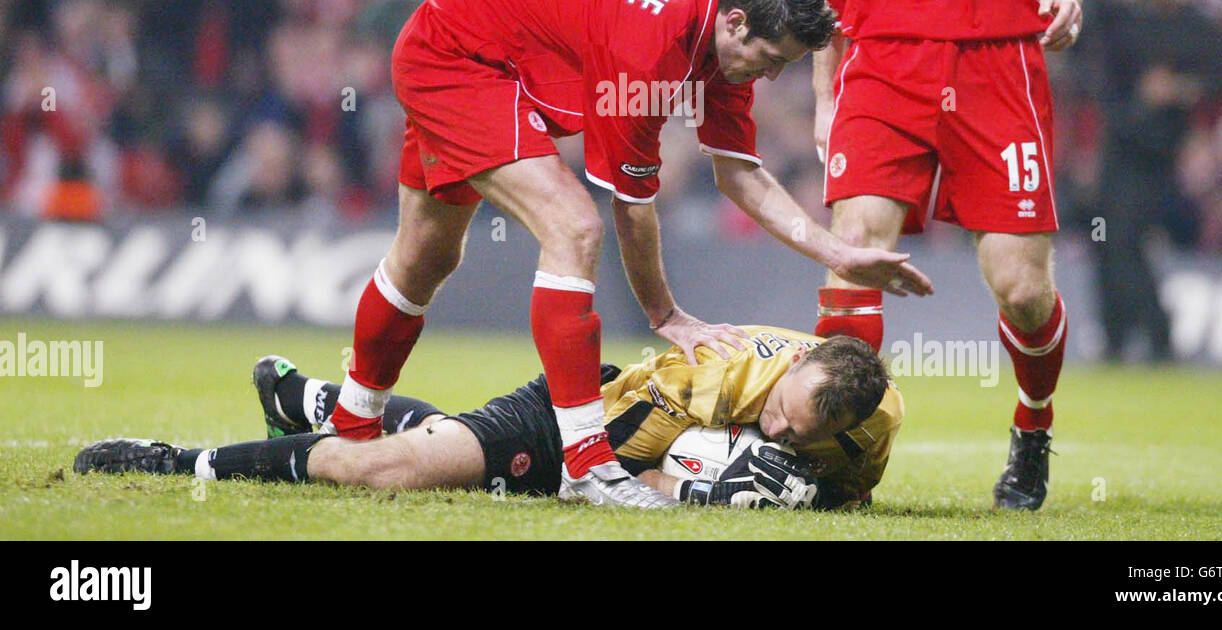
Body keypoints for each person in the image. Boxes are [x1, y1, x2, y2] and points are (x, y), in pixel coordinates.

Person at [333, 0, 932, 509]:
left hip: (490, 49)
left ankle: (352, 424)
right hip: (458, 59)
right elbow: (631, 205)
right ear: (738, 24)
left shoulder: (721, 30)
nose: (771, 77)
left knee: (426, 256)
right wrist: (664, 314)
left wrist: (835, 253)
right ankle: (589, 464)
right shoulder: (650, 48)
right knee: (574, 228)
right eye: (772, 61)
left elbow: (739, 173)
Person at [789, 0, 1116, 510]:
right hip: (883, 64)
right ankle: (835, 463)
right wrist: (826, 98)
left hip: (997, 62)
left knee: (1021, 287)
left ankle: (1031, 426)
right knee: (854, 245)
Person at [74, 327, 903, 511]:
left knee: (446, 453)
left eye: (800, 439)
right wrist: (670, 488)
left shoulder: (870, 425)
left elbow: (850, 489)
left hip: (592, 444)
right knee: (385, 470)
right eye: (780, 418)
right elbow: (628, 459)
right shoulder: (726, 377)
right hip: (574, 419)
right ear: (790, 370)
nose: (780, 435)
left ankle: (308, 401)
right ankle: (179, 460)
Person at [1079, 0, 1222, 361]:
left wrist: (1181, 90)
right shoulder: (1125, 19)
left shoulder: (1192, 24)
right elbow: (1100, 79)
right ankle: (1115, 335)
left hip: (1157, 149)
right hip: (1120, 142)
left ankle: (1157, 334)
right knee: (1105, 239)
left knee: (1126, 239)